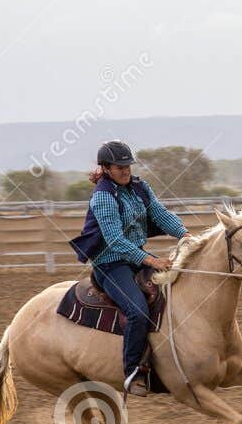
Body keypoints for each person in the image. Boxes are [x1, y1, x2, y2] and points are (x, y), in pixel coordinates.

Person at [71, 140, 189, 397]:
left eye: (127, 165)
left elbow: (160, 214)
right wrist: (151, 261)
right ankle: (133, 372)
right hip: (110, 264)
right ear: (106, 168)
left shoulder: (139, 187)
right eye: (119, 166)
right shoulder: (102, 196)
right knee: (137, 310)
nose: (125, 170)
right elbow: (114, 239)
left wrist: (185, 235)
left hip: (136, 258)